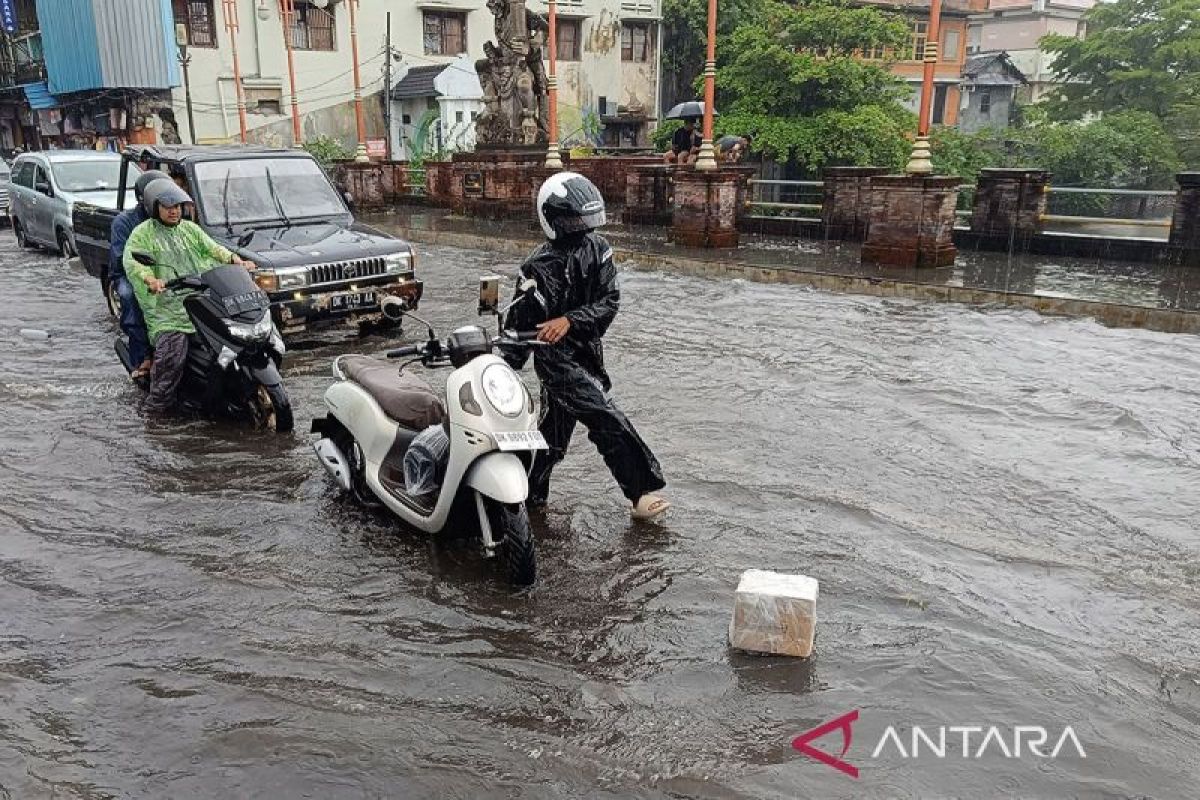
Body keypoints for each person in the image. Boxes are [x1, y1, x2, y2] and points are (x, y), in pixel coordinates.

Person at [504, 172, 669, 520]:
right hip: (555, 362)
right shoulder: (537, 266)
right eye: (571, 218)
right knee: (604, 415)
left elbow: (609, 300)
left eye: (582, 218)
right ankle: (640, 492)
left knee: (551, 439)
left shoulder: (599, 249)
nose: (579, 225)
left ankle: (527, 499)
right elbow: (518, 323)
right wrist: (503, 364)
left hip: (587, 351)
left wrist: (570, 321)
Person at [123, 179, 256, 415]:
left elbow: (214, 249)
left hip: (201, 297)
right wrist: (151, 280)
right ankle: (155, 409)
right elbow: (133, 263)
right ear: (155, 207)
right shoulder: (142, 234)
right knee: (171, 357)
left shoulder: (190, 229)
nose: (174, 211)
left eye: (178, 206)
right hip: (167, 307)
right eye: (168, 206)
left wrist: (237, 261)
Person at [109, 169, 169, 380]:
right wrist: (146, 276)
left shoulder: (170, 220)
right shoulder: (124, 223)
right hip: (129, 274)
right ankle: (141, 355)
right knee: (129, 296)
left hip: (165, 272)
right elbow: (121, 259)